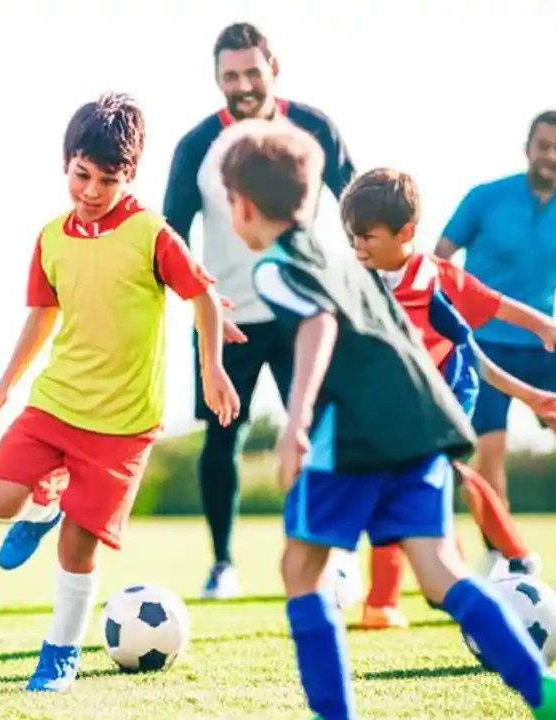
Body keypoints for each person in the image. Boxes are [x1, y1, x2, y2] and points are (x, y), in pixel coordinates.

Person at [221, 118, 556, 720]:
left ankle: (332, 714)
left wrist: (296, 424)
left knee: (301, 569)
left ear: (242, 206)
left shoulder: (278, 268)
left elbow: (319, 326)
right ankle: (539, 687)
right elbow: (429, 347)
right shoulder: (353, 267)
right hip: (422, 429)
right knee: (441, 569)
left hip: (355, 437)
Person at [0, 93, 239, 692]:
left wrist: (212, 368)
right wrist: (4, 385)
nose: (92, 190)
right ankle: (44, 503)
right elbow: (41, 317)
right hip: (55, 402)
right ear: (65, 164)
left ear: (131, 176)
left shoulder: (151, 232)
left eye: (108, 179)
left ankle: (59, 653)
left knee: (78, 546)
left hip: (122, 426)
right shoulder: (49, 238)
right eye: (82, 175)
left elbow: (199, 295)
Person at [162, 21, 356, 597]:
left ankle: (335, 554)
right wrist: (201, 303)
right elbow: (170, 235)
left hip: (304, 314)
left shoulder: (315, 128)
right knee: (221, 439)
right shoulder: (198, 145)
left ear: (275, 68)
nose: (243, 85)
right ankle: (223, 563)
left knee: (322, 432)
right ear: (217, 79)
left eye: (252, 72)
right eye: (230, 76)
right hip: (227, 321)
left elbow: (358, 204)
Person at [339, 168, 556, 629]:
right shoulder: (355, 283)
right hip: (393, 407)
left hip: (445, 399)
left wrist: (546, 328)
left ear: (406, 233)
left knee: (419, 478)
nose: (358, 246)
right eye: (352, 236)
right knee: (404, 484)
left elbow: (496, 309)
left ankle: (497, 559)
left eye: (367, 236)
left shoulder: (439, 281)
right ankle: (407, 593)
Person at [435, 110, 556, 573]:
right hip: (482, 342)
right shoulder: (485, 198)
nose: (552, 155)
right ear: (527, 147)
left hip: (542, 345)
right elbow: (440, 257)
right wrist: (439, 317)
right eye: (544, 145)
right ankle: (501, 553)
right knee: (491, 448)